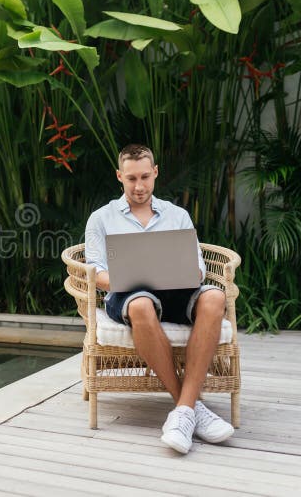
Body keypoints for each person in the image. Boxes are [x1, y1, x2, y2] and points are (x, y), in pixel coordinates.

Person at [84, 143, 234, 454]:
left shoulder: (177, 215)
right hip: (127, 292)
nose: (139, 187)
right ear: (119, 177)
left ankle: (184, 412)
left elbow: (199, 268)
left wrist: (185, 274)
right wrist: (127, 277)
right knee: (141, 304)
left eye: (144, 177)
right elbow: (95, 271)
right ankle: (191, 408)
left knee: (215, 298)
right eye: (131, 179)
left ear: (155, 173)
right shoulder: (101, 218)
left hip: (175, 289)